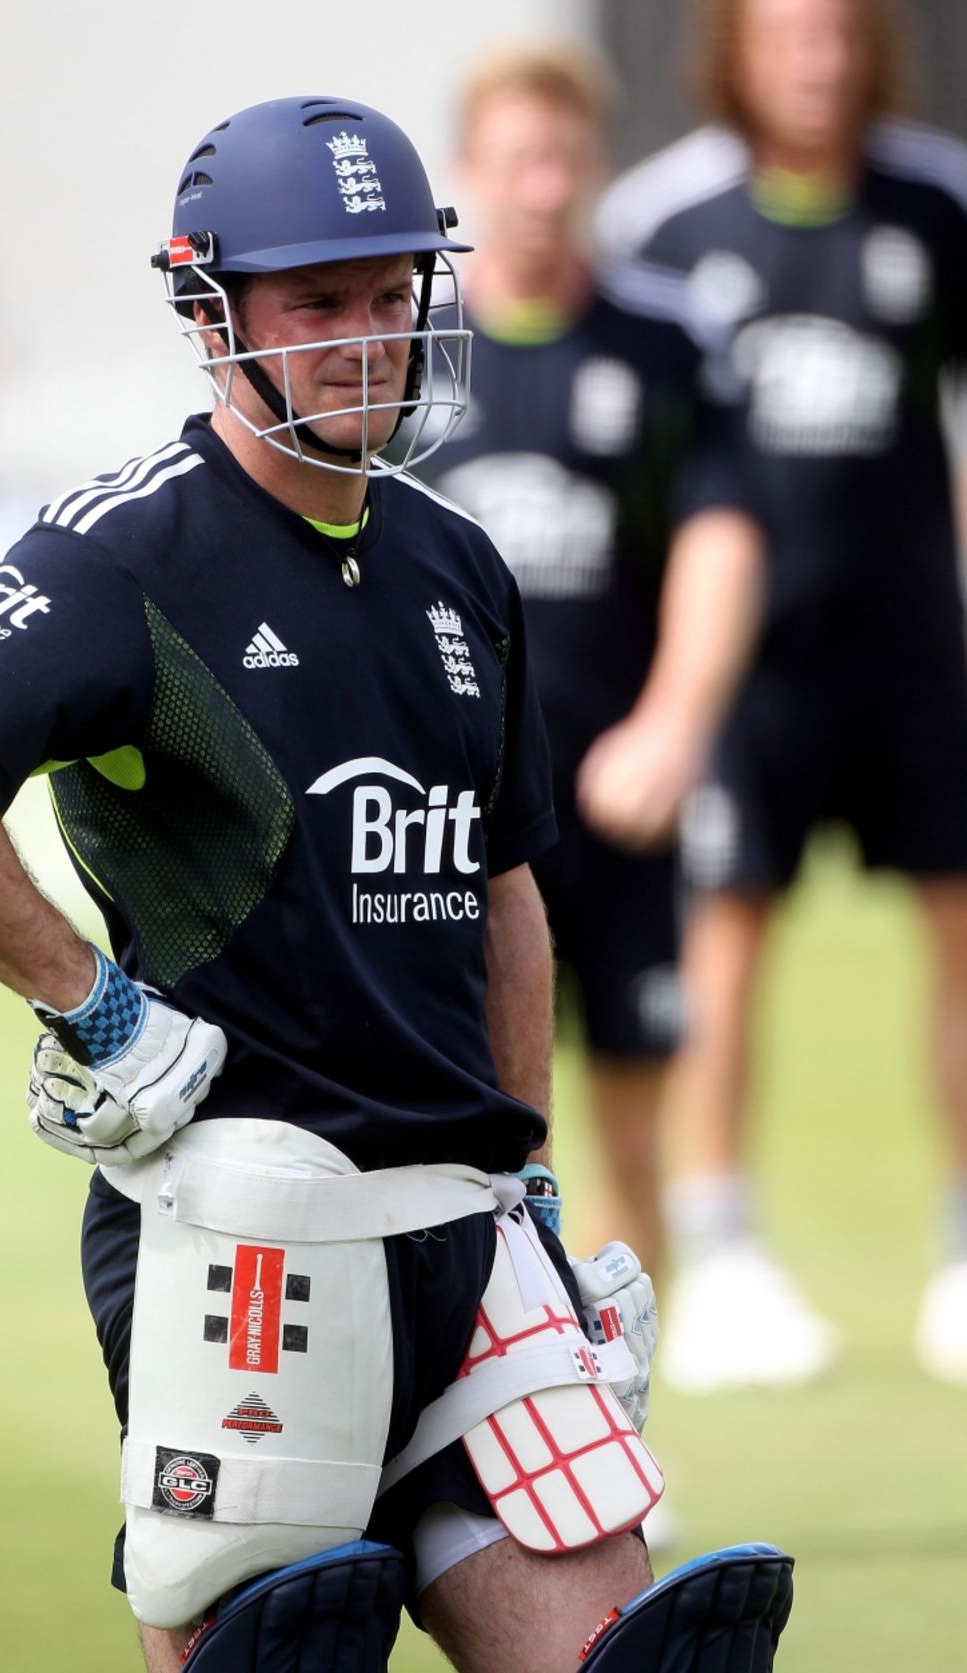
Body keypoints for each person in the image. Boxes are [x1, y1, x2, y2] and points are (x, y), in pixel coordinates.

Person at [0, 96, 793, 1672]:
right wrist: (98, 1008)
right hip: (242, 1243)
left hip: (469, 1245)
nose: (365, 336)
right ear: (216, 319)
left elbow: (503, 894)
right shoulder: (124, 558)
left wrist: (531, 1189)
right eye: (314, 301)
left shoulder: (456, 561)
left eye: (392, 291)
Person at [598, 0, 967, 1392]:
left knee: (958, 924)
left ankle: (962, 1244)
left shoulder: (937, 201)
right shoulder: (667, 222)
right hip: (747, 669)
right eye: (786, 40)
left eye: (835, 39)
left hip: (920, 647)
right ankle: (725, 1246)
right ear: (737, 57)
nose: (815, 63)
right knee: (728, 934)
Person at [420, 45, 764, 1282]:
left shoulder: (666, 344)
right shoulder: (410, 348)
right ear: (471, 172)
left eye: (564, 157)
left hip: (615, 806)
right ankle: (472, 1413)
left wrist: (673, 725)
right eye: (518, 159)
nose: (544, 186)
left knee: (629, 1123)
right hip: (446, 820)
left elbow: (723, 542)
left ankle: (621, 1410)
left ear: (594, 166)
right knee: (471, 1132)